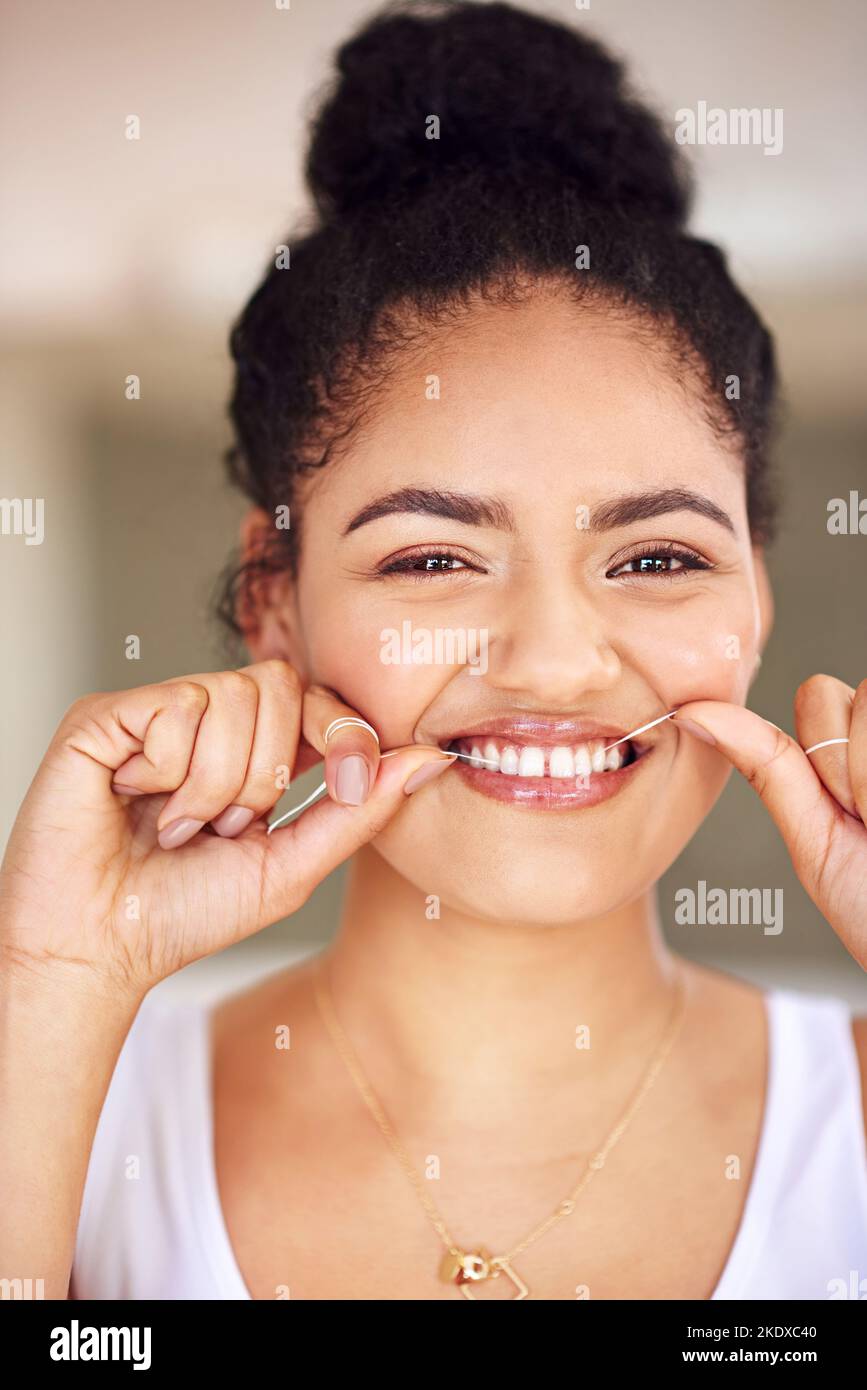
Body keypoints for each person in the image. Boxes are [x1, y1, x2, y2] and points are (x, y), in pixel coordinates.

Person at [2, 0, 866, 1302]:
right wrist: (52, 983)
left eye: (657, 557)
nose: (559, 662)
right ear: (273, 596)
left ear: (754, 589)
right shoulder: (72, 1112)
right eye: (433, 558)